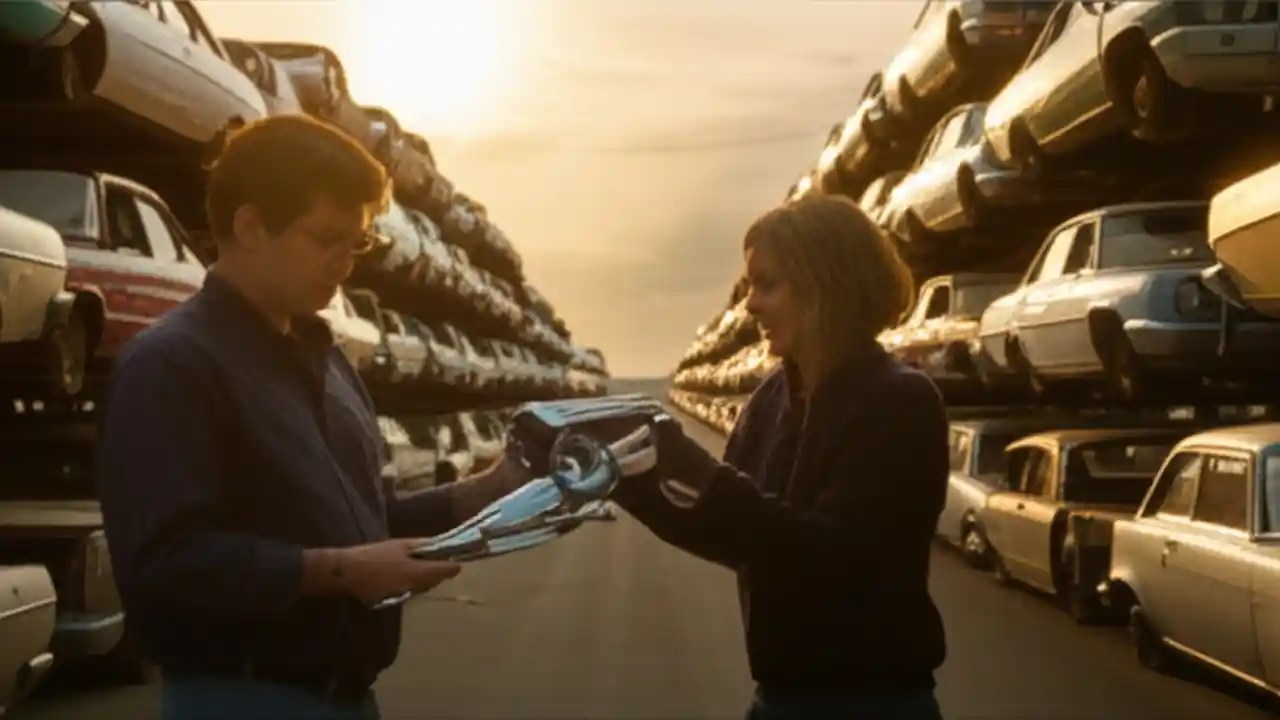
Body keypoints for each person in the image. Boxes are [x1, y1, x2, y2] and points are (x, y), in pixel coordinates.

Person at [95, 115, 537, 720]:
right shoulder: (169, 365)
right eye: (326, 239)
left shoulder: (327, 362)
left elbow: (369, 522)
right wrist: (342, 572)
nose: (345, 264)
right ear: (249, 226)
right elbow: (165, 561)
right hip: (237, 700)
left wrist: (493, 488)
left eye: (357, 243)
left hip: (347, 698)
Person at [615, 194, 949, 719]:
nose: (750, 306)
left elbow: (829, 560)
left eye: (767, 284)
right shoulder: (770, 400)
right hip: (780, 700)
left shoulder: (900, 402)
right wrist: (629, 479)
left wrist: (691, 468)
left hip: (874, 704)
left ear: (824, 284)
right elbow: (733, 535)